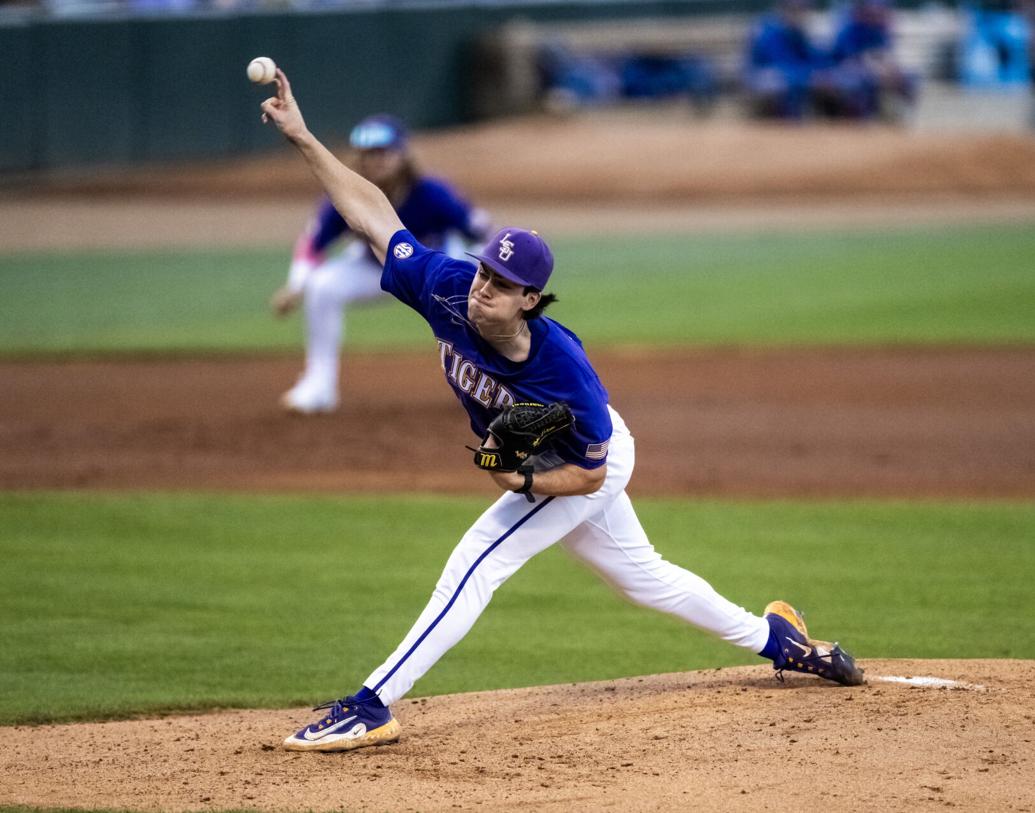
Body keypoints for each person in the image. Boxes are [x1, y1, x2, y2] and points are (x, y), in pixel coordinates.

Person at [259, 68, 864, 753]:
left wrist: (523, 483)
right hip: (556, 456)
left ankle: (371, 704)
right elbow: (373, 213)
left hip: (583, 458)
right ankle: (778, 639)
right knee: (647, 579)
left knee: (477, 559)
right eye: (485, 272)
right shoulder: (447, 287)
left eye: (503, 284)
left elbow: (587, 472)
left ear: (530, 300)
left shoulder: (562, 371)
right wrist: (304, 136)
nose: (484, 288)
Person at [271, 113, 491, 414]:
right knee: (322, 286)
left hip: (433, 272)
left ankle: (493, 387)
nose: (377, 160)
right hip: (374, 270)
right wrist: (297, 285)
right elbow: (314, 241)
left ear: (402, 154)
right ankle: (318, 385)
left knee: (480, 308)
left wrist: (481, 278)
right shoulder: (347, 196)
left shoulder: (431, 194)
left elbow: (479, 231)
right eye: (369, 154)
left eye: (383, 152)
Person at [830, 0, 918, 121]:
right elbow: (849, 60)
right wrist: (876, 69)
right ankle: (865, 118)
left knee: (907, 77)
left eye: (879, 13)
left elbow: (885, 56)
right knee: (862, 79)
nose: (876, 16)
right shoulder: (849, 30)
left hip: (874, 70)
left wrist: (890, 69)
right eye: (872, 13)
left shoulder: (878, 31)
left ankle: (900, 115)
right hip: (845, 69)